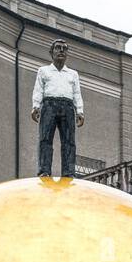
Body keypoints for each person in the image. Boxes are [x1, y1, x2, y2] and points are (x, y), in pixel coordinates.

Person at [31, 39, 84, 178]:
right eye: (58, 47)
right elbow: (38, 89)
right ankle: (44, 170)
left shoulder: (73, 74)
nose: (61, 51)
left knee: (69, 141)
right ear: (51, 52)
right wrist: (36, 106)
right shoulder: (43, 71)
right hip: (49, 105)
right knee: (45, 139)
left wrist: (80, 111)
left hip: (67, 106)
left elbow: (77, 93)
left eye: (64, 49)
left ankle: (68, 172)